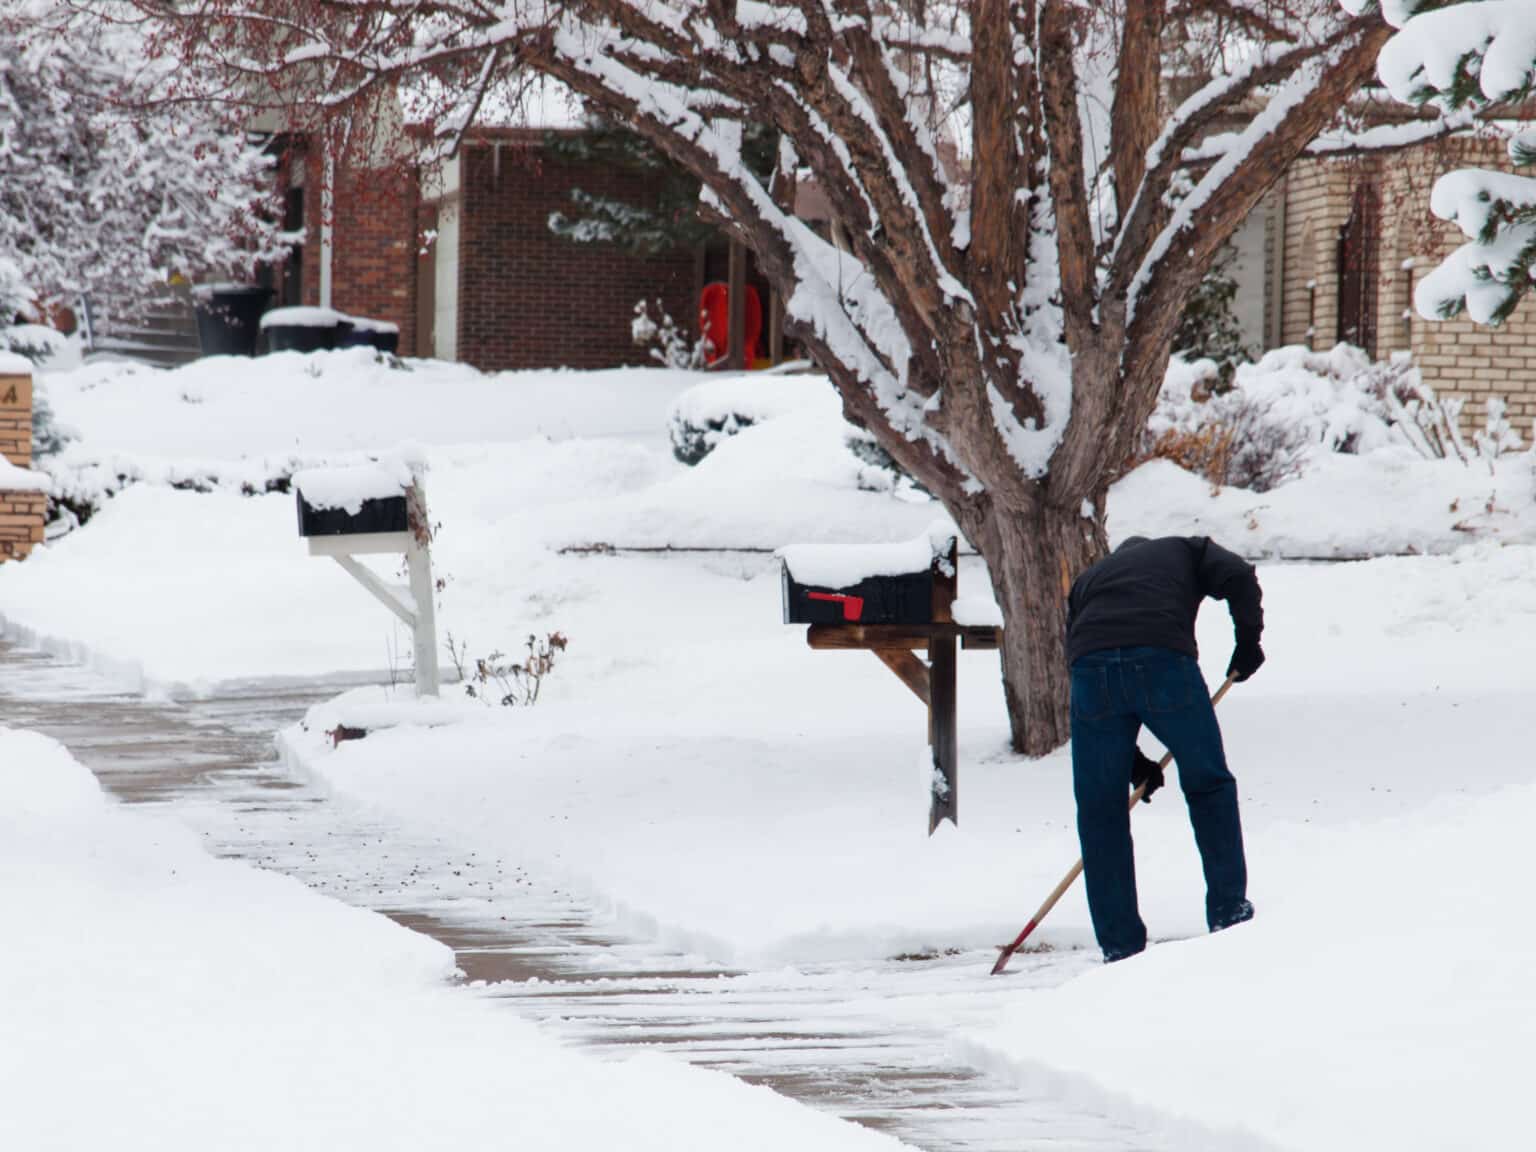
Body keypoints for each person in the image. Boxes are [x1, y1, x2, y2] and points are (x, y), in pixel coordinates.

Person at [1065, 535, 1264, 963]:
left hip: (1091, 672)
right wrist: (1248, 641)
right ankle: (1229, 913)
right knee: (1208, 782)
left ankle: (1120, 946)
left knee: (1101, 810)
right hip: (1162, 662)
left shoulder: (1088, 580)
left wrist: (1130, 762)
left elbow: (1086, 661)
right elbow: (1240, 576)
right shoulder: (1186, 550)